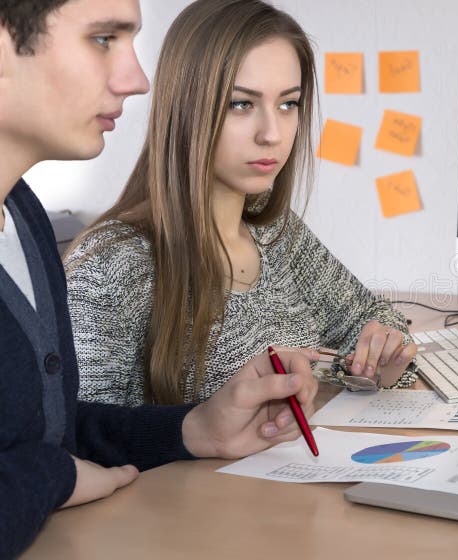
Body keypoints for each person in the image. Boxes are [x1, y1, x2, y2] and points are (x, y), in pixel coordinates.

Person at [0, 1, 317, 557]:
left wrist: (194, 428)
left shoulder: (21, 218)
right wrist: (59, 476)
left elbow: (56, 433)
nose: (139, 80)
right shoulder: (112, 255)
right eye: (103, 39)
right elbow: (54, 462)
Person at [64, 0, 419, 408]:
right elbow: (81, 444)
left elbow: (371, 317)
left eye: (288, 104)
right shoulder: (111, 263)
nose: (272, 133)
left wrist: (383, 355)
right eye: (241, 104)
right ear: (187, 109)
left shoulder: (272, 229)